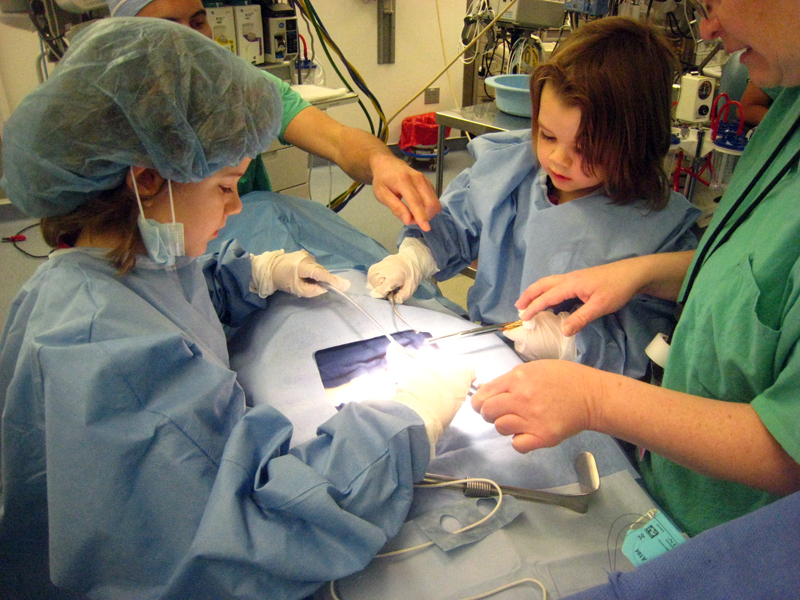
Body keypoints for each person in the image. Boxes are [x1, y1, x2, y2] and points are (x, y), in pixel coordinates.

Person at [0, 19, 475, 599]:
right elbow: (256, 534)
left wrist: (249, 277)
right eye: (226, 185)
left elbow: (171, 302)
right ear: (149, 180)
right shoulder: (110, 360)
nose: (234, 207)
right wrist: (406, 422)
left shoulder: (107, 269)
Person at [471, 0, 800, 538]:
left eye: (715, 4)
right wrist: (646, 272)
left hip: (743, 534)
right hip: (669, 486)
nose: (709, 28)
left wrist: (594, 397)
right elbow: (757, 274)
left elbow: (790, 448)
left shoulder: (652, 217)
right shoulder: (787, 98)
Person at [366, 17, 700, 380]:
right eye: (548, 135)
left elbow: (646, 349)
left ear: (634, 144)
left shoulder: (658, 233)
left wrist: (569, 343)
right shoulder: (513, 169)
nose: (558, 159)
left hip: (581, 395)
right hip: (488, 353)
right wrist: (414, 257)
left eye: (585, 148)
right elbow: (458, 223)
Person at [105, 0, 441, 231]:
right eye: (167, 28)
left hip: (253, 233)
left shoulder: (245, 89)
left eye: (197, 22)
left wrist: (381, 161)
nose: (191, 39)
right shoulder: (106, 115)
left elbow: (337, 140)